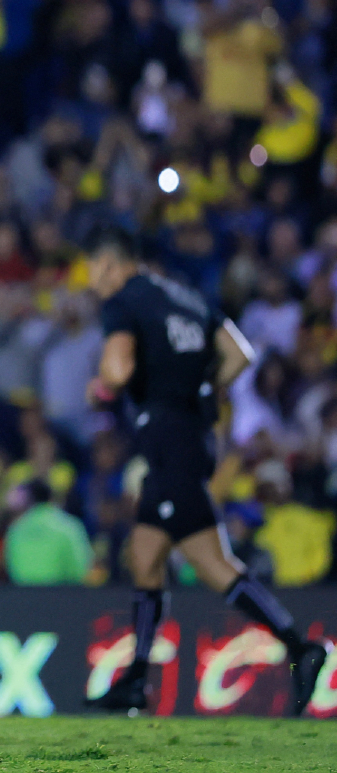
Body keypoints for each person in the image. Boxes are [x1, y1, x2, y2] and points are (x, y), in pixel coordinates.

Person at [83, 226, 330, 716]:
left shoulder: (122, 302)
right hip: (191, 438)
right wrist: (199, 390)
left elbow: (116, 370)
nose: (91, 281)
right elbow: (240, 354)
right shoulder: (185, 296)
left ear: (110, 265)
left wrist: (103, 388)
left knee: (213, 565)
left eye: (93, 270)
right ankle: (134, 681)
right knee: (146, 552)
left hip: (169, 441)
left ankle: (300, 647)